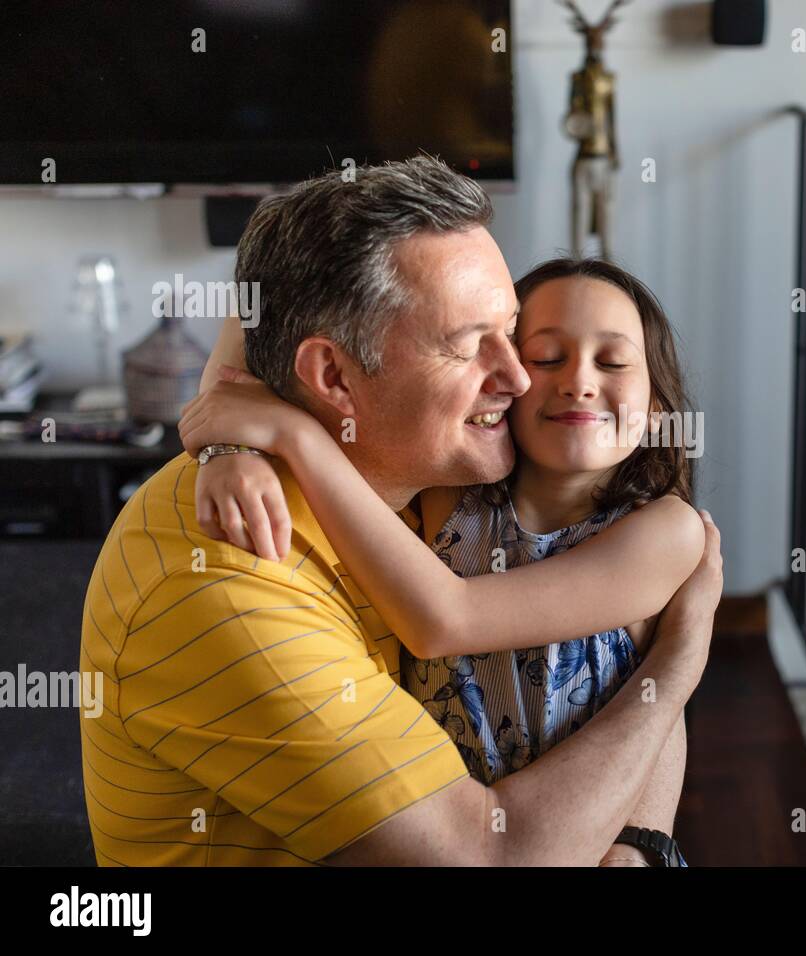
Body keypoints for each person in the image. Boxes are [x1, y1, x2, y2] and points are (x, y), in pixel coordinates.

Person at [78, 155, 721, 866]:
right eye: (469, 344)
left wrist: (639, 839)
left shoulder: (427, 478)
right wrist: (683, 661)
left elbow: (260, 302)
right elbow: (490, 859)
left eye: (511, 333)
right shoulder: (230, 572)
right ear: (332, 377)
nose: (516, 378)